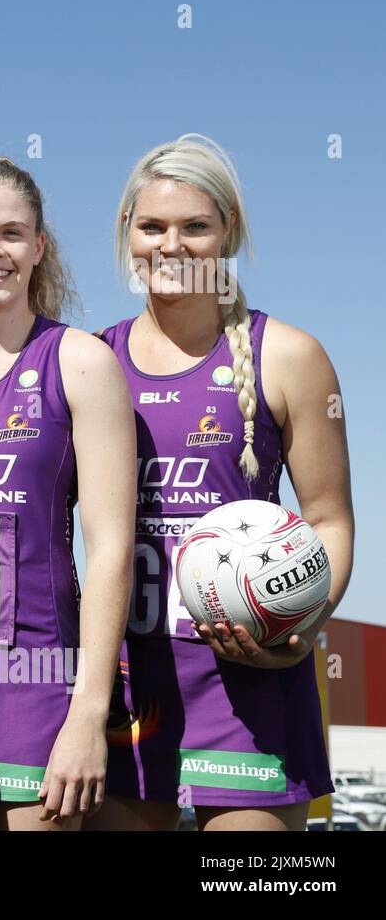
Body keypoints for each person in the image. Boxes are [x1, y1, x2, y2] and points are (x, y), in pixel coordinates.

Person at [86, 135, 353, 831]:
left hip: (251, 680)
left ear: (227, 232)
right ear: (127, 234)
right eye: (152, 226)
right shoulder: (92, 362)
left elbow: (330, 520)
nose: (171, 244)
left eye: (195, 226)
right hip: (124, 684)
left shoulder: (290, 356)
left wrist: (300, 629)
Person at [0, 157, 135, 831]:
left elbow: (112, 550)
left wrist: (88, 713)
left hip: (37, 683)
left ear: (39, 247)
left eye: (12, 233)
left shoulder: (79, 362)